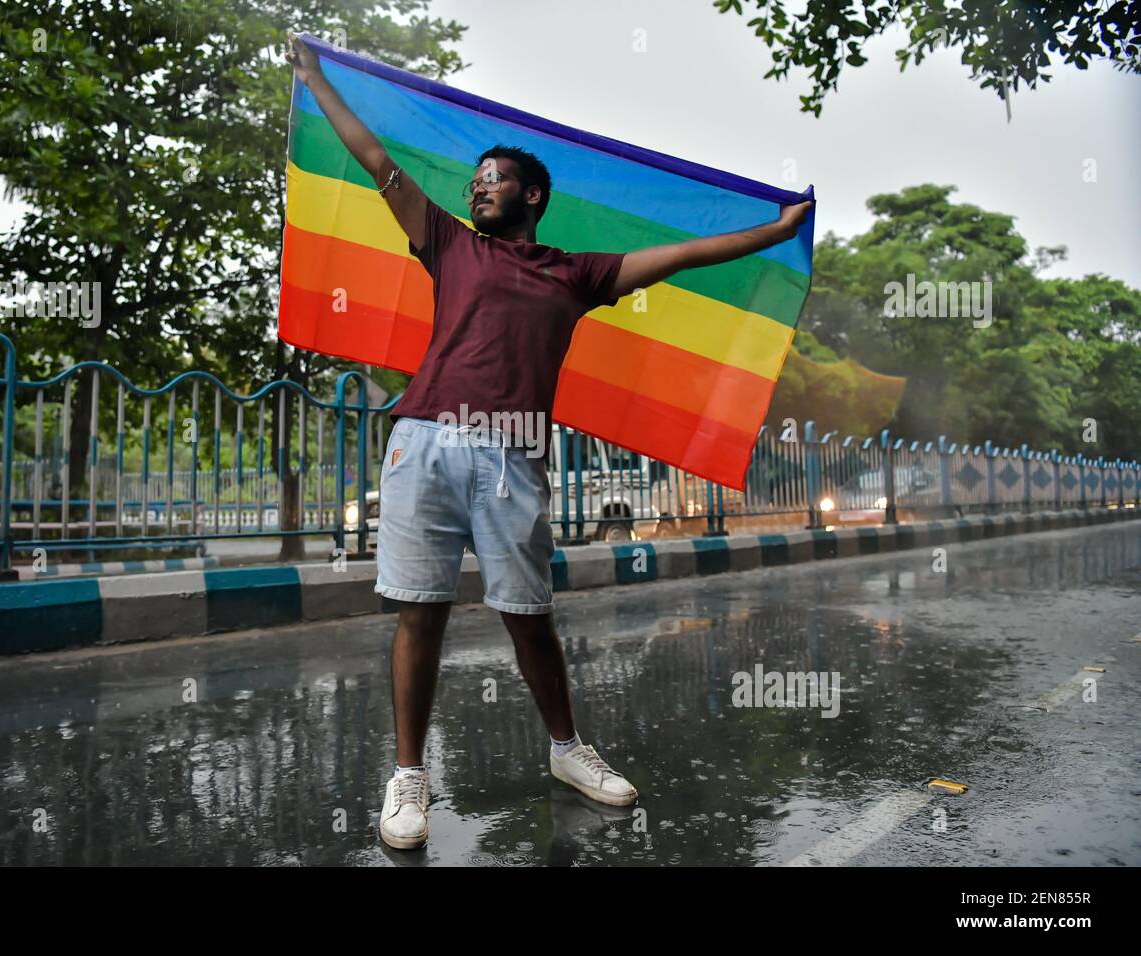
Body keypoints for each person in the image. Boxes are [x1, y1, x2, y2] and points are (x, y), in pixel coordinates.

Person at [285, 33, 811, 850]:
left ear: (532, 195)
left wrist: (773, 234)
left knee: (528, 616)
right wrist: (315, 78)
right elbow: (375, 158)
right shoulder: (450, 243)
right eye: (475, 180)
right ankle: (409, 778)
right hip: (422, 440)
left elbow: (681, 256)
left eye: (493, 181)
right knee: (419, 615)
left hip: (511, 455)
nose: (477, 188)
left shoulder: (576, 272)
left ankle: (568, 751)